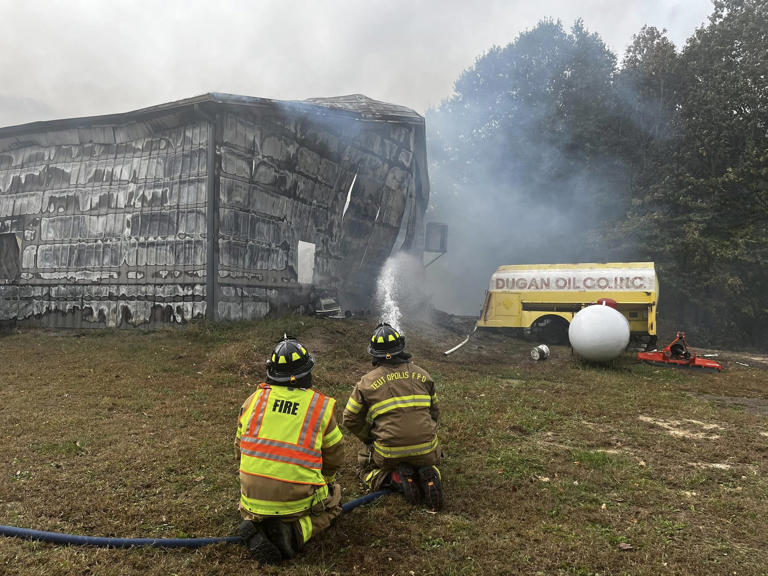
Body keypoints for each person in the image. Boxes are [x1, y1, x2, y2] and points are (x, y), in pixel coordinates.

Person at [235, 335, 344, 563]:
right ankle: (294, 532)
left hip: (251, 499)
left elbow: (239, 449)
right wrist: (328, 480)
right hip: (296, 503)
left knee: (260, 503)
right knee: (334, 504)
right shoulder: (320, 406)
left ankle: (257, 521)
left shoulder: (253, 401)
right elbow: (334, 456)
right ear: (308, 373)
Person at [342, 322, 444, 510]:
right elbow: (434, 412)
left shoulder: (366, 383)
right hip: (427, 448)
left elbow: (349, 418)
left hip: (388, 453)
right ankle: (430, 474)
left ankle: (393, 478)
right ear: (401, 348)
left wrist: (369, 436)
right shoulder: (424, 375)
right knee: (428, 457)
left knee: (364, 465)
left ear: (374, 353)